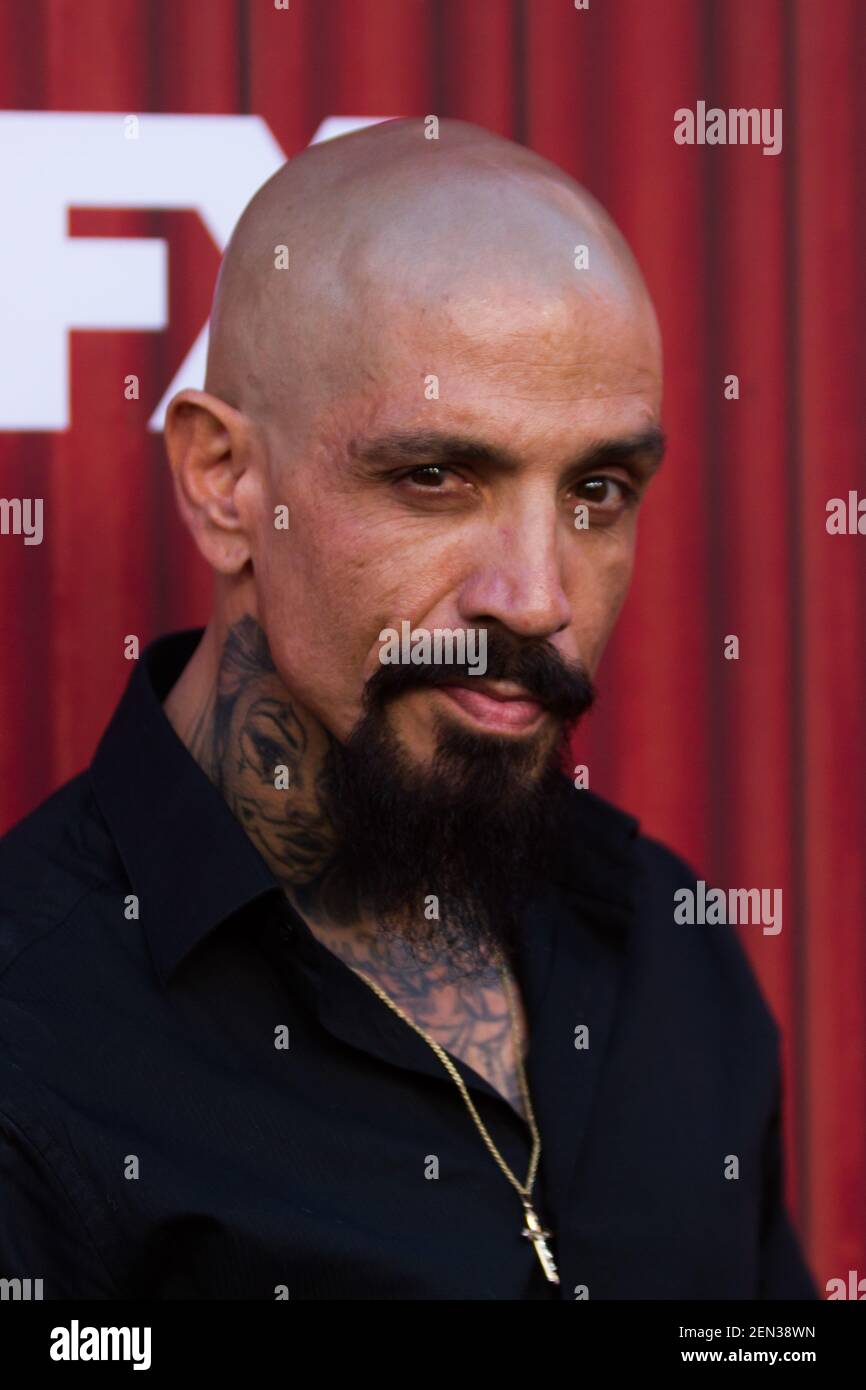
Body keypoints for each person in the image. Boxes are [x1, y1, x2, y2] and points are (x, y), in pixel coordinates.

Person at [0, 118, 816, 1299]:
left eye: (596, 490)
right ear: (226, 484)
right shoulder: (36, 1045)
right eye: (435, 477)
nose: (535, 600)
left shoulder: (665, 951)